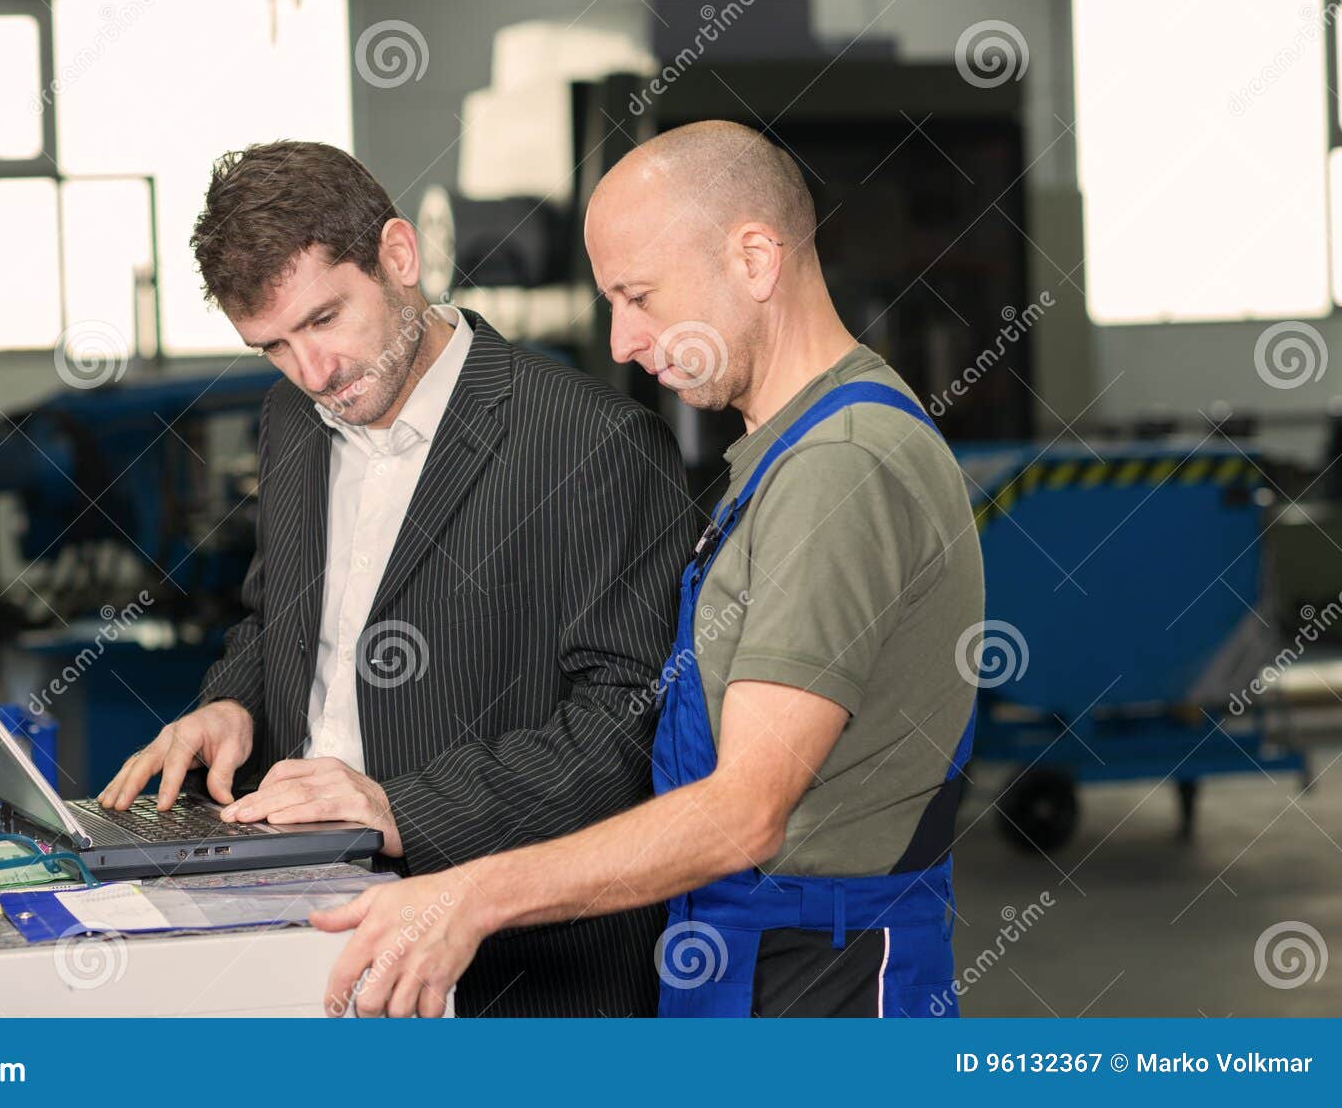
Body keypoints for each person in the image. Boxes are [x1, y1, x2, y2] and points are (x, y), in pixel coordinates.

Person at [312, 120, 986, 1019]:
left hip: (820, 980)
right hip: (740, 952)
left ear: (754, 259)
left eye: (639, 296)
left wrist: (469, 898)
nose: (624, 341)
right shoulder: (782, 454)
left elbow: (746, 811)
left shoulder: (840, 466)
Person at [96, 140, 694, 1017]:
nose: (313, 373)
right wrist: (232, 705)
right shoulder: (294, 421)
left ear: (398, 257)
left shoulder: (588, 441)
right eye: (273, 347)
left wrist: (397, 808)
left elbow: (627, 729)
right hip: (310, 927)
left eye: (326, 319)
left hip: (515, 971)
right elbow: (274, 622)